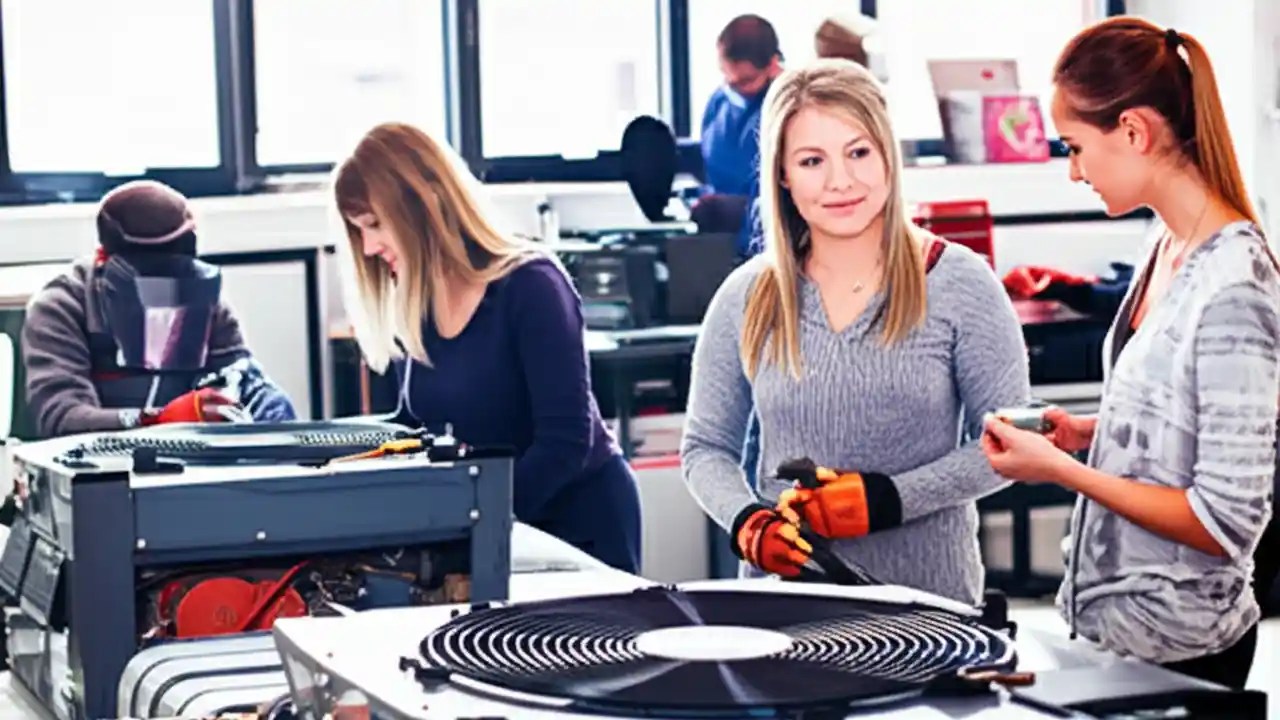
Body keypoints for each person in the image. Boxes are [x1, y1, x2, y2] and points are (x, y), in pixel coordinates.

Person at [980, 18, 1279, 690]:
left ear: (1136, 131)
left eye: (1077, 146)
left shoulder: (1236, 286)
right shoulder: (1164, 243)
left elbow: (1223, 521)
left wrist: (1062, 471)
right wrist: (1091, 433)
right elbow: (1179, 425)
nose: (1074, 170)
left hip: (1183, 650)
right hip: (1112, 633)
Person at [681, 58, 1030, 605]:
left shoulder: (962, 283)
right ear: (783, 173)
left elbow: (1011, 448)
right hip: (786, 609)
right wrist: (749, 523)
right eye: (812, 160)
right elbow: (705, 449)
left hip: (930, 608)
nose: (840, 181)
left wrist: (888, 500)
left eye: (859, 152)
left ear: (889, 155)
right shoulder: (746, 295)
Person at [332, 122, 643, 574]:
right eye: (360, 231)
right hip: (494, 528)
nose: (370, 246)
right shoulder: (417, 297)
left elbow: (565, 442)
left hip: (578, 528)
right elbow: (412, 426)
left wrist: (474, 519)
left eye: (375, 225)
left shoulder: (531, 285)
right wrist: (328, 456)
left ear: (425, 203)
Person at [22, 180, 296, 438]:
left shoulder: (205, 301)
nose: (165, 296)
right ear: (103, 258)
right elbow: (62, 418)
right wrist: (156, 420)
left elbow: (239, 377)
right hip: (104, 472)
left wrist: (264, 407)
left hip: (192, 467)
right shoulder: (61, 306)